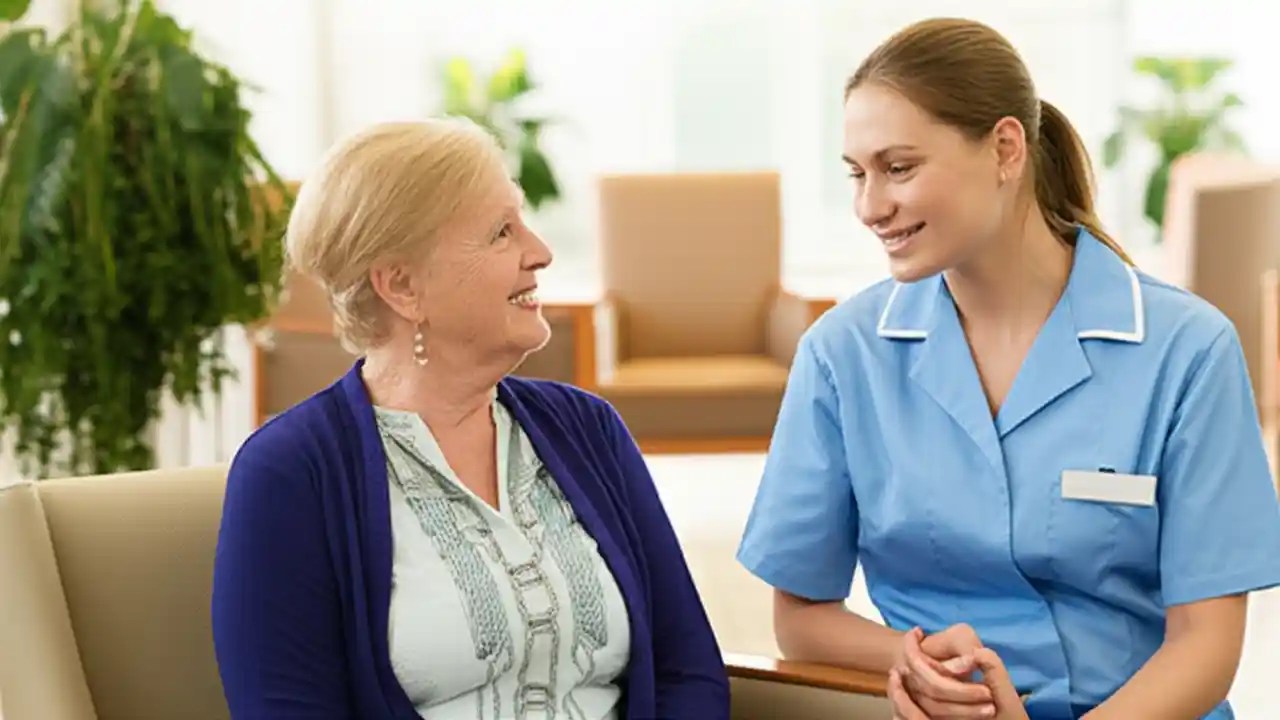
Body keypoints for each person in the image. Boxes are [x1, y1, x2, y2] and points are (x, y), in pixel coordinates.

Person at [736, 17, 1280, 720]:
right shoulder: (842, 355)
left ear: (1004, 148)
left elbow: (1205, 646)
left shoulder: (1188, 351)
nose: (870, 206)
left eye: (899, 168)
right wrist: (911, 658)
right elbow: (802, 616)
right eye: (857, 174)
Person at [212, 118, 729, 719]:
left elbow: (688, 669)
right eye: (501, 233)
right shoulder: (289, 472)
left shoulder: (590, 430)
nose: (540, 252)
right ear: (403, 286)